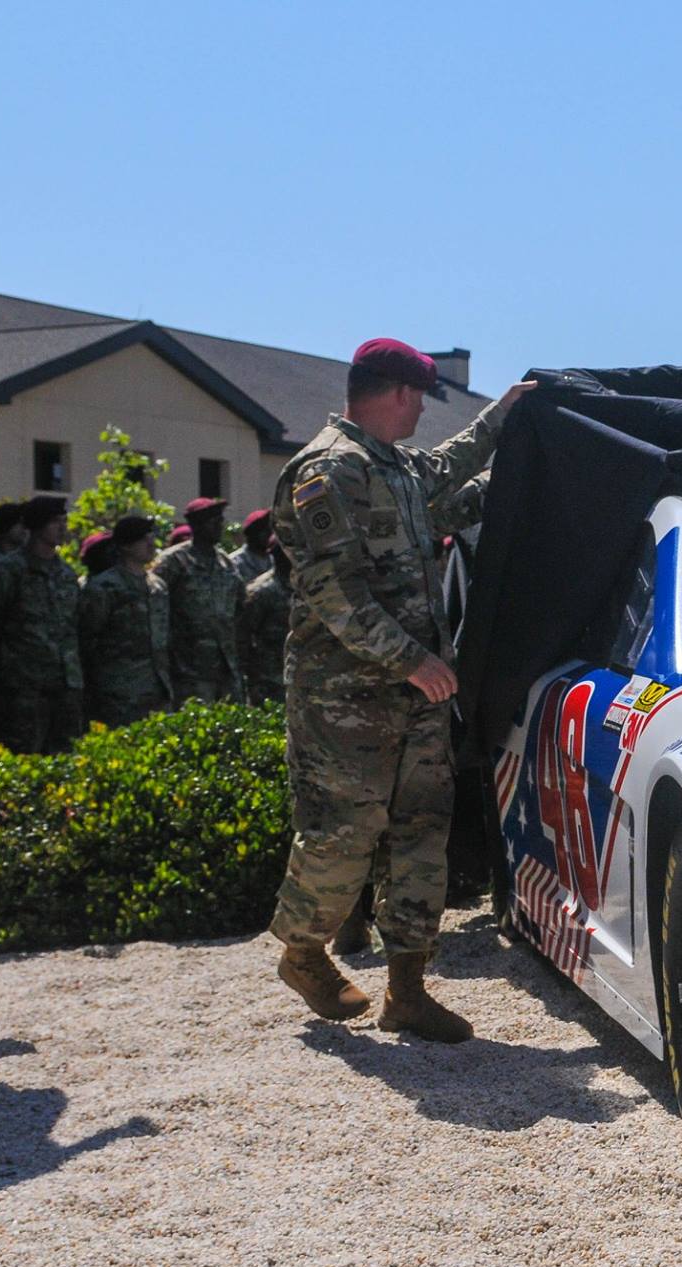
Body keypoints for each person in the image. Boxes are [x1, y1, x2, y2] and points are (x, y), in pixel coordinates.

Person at [267, 336, 534, 1041]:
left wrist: (507, 423)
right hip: (345, 698)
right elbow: (332, 591)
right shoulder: (330, 468)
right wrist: (412, 659)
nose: (421, 411)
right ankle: (302, 952)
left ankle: (407, 990)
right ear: (397, 392)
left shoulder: (392, 466)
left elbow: (444, 479)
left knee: (423, 832)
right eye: (419, 397)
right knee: (344, 835)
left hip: (416, 694)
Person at [0, 496, 84, 753]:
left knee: (65, 758)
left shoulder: (67, 574)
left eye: (64, 521)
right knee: (24, 757)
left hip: (66, 685)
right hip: (23, 688)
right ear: (37, 527)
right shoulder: (8, 571)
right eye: (54, 522)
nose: (62, 528)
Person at [78, 515, 172, 727]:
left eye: (151, 537)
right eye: (142, 539)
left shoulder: (158, 587)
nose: (150, 543)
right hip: (119, 693)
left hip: (158, 690)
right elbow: (87, 639)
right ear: (126, 546)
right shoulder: (105, 587)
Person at [152, 497, 246, 704]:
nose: (219, 526)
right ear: (197, 526)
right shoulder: (173, 562)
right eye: (213, 522)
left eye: (220, 521)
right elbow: (155, 608)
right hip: (188, 670)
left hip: (225, 669)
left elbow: (240, 608)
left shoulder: (226, 564)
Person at [236, 542, 290, 706]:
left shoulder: (301, 587)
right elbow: (242, 635)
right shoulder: (261, 591)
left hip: (294, 673)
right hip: (267, 679)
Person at [229, 507, 276, 585]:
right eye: (265, 531)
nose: (270, 535)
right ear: (252, 535)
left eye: (271, 530)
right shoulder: (235, 563)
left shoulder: (275, 559)